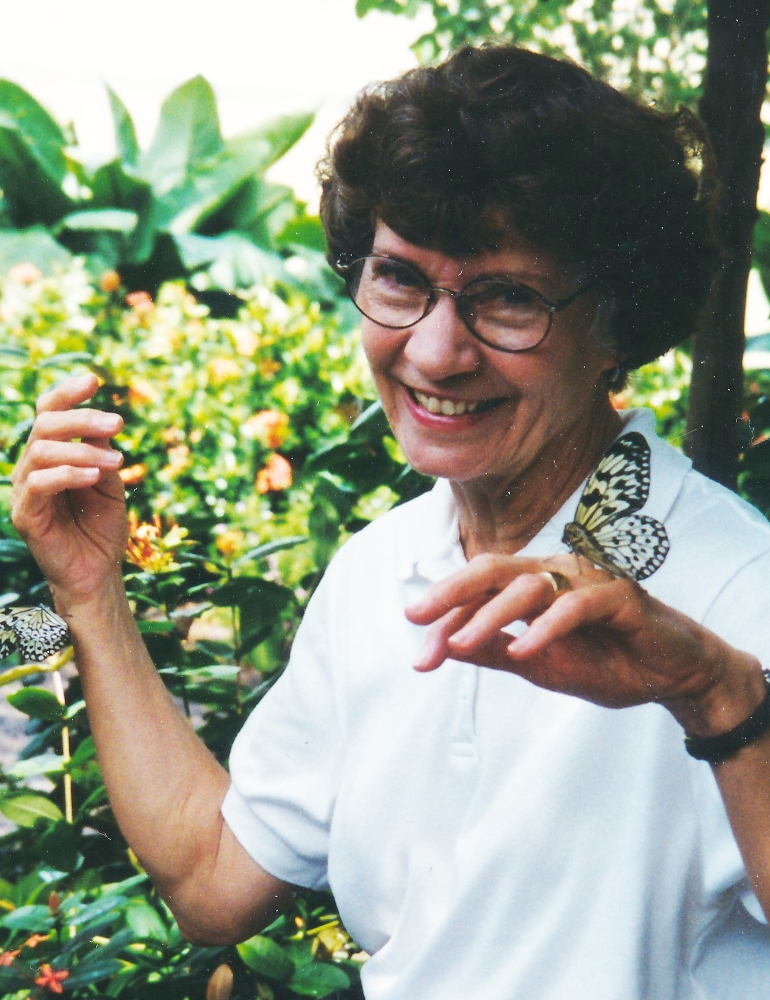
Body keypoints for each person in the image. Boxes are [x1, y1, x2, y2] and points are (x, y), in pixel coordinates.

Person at [10, 43, 770, 999]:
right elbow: (213, 880)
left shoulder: (739, 585)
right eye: (401, 279)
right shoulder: (380, 569)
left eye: (507, 298)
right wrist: (90, 597)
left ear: (619, 322)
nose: (437, 352)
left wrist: (716, 697)